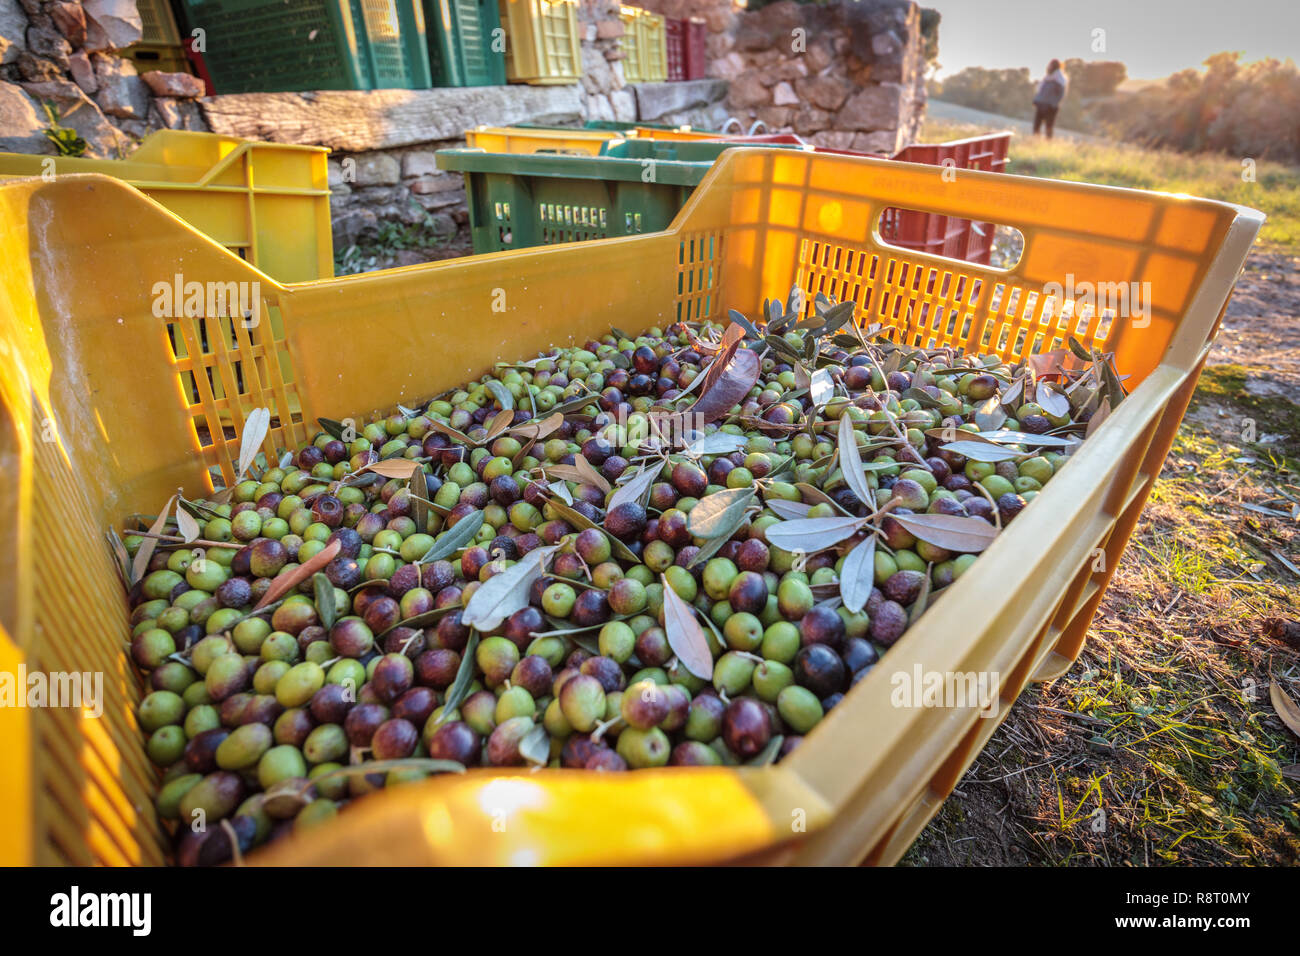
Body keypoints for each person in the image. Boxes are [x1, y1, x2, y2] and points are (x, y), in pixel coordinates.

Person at [1032, 59, 1067, 138]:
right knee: (1036, 126)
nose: (1049, 67)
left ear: (1055, 66)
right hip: (1041, 104)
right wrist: (1036, 101)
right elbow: (1041, 91)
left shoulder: (1060, 79)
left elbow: (1060, 95)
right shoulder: (1047, 78)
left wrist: (1052, 105)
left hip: (1050, 107)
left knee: (1049, 127)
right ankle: (1035, 142)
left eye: (1050, 65)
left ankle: (1048, 144)